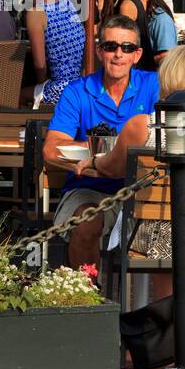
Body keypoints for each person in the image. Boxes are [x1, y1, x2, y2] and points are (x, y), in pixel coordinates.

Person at [74, 45, 185, 297]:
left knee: (161, 221)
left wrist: (93, 161)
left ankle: (167, 315)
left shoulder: (142, 126)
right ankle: (182, 319)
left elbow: (111, 168)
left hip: (155, 235)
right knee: (174, 225)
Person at [43, 15, 161, 272]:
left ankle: (158, 307)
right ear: (99, 51)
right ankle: (88, 300)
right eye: (111, 46)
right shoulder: (77, 91)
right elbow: (52, 148)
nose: (119, 54)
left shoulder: (153, 85)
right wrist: (99, 155)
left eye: (127, 48)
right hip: (90, 188)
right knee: (86, 222)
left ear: (137, 54)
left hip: (143, 188)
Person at [21, 0, 84, 108]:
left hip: (62, 88)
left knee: (17, 96)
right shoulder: (66, 2)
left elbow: (40, 65)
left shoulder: (35, 11)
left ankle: (31, 130)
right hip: (80, 83)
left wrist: (41, 86)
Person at [122, 0, 176, 68]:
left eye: (135, 1)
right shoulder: (143, 17)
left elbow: (166, 56)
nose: (131, 6)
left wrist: (137, 60)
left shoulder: (161, 20)